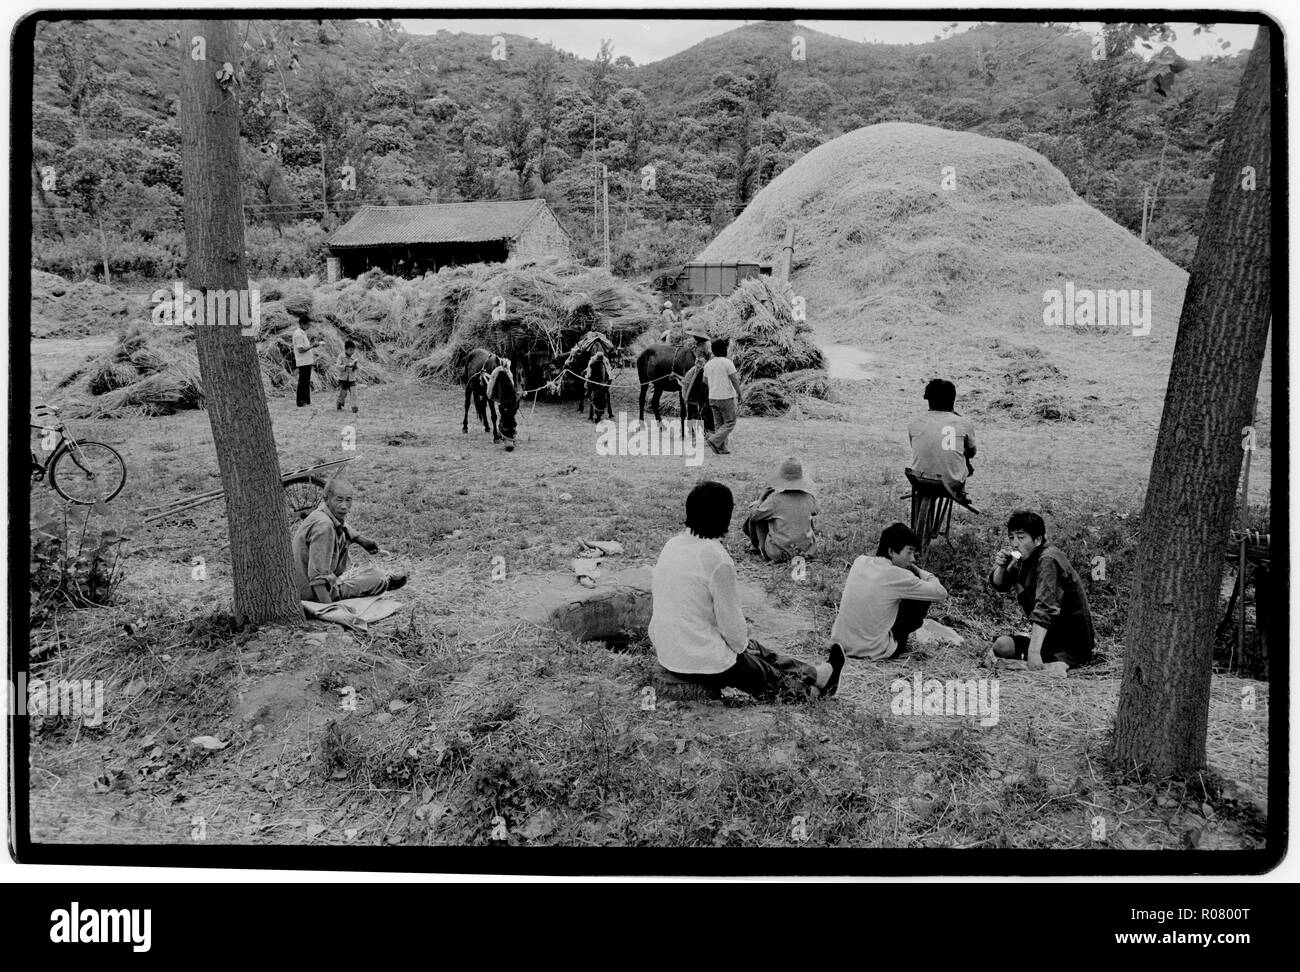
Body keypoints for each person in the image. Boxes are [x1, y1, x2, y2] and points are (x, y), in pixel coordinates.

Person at [649, 481, 845, 702]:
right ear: (725, 517)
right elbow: (732, 629)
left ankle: (817, 674)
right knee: (764, 673)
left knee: (755, 650)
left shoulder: (672, 546)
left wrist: (741, 645)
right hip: (700, 661)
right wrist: (741, 647)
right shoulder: (717, 559)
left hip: (669, 653)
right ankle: (813, 694)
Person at [987, 510, 1095, 670]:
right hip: (1049, 640)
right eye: (1011, 537)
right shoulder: (1023, 557)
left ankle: (1050, 665)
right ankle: (1038, 663)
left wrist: (1033, 653)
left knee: (1046, 668)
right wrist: (1002, 567)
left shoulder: (1048, 559)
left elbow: (1045, 608)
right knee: (1002, 646)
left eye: (1021, 537)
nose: (1015, 543)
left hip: (1071, 645)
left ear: (1037, 540)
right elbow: (1000, 585)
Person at [829, 523, 949, 660]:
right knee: (922, 596)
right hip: (874, 650)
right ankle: (895, 641)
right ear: (891, 551)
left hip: (839, 644)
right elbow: (940, 592)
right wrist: (918, 570)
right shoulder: (898, 575)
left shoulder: (860, 561)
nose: (912, 559)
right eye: (909, 552)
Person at [292, 478, 407, 602]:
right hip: (313, 594)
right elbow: (317, 579)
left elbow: (344, 527)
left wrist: (361, 540)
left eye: (348, 500)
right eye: (339, 500)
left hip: (313, 584)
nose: (344, 506)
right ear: (326, 500)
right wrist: (330, 609)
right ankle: (385, 582)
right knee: (377, 578)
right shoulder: (324, 527)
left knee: (369, 571)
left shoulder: (323, 513)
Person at [907, 378, 976, 501]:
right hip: (951, 482)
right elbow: (971, 453)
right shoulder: (963, 423)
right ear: (953, 399)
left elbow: (914, 446)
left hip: (918, 479)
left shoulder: (915, 422)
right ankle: (962, 493)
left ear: (928, 399)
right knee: (964, 457)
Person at [742, 457, 819, 562]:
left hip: (780, 554)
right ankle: (804, 544)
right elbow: (815, 511)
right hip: (806, 552)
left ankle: (756, 547)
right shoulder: (809, 497)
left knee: (759, 515)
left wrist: (760, 500)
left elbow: (754, 515)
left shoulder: (775, 500)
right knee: (805, 518)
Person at [702, 338, 742, 455]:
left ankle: (722, 448)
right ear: (724, 350)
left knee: (719, 425)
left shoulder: (708, 364)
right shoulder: (727, 362)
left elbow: (704, 381)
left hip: (712, 397)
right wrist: (739, 393)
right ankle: (713, 440)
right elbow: (734, 380)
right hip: (725, 397)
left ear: (713, 351)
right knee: (730, 422)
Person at [681, 325, 714, 438]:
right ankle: (688, 398)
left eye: (695, 336)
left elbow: (710, 357)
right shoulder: (696, 344)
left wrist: (706, 366)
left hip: (703, 367)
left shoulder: (706, 345)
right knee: (687, 380)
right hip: (696, 367)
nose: (694, 337)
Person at [292, 320, 322, 407]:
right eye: (307, 324)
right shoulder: (298, 334)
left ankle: (306, 401)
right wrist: (313, 345)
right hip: (303, 361)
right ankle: (300, 402)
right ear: (302, 324)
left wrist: (311, 343)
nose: (308, 326)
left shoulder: (302, 333)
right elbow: (301, 349)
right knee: (303, 382)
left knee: (306, 381)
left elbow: (305, 346)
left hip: (307, 361)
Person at [336, 339, 360, 412]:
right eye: (350, 350)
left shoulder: (354, 357)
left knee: (354, 393)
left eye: (353, 350)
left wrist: (355, 367)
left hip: (352, 378)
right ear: (346, 350)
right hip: (343, 378)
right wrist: (346, 366)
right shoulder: (341, 356)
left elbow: (357, 368)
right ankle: (340, 402)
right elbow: (337, 366)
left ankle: (354, 407)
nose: (352, 352)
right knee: (343, 393)